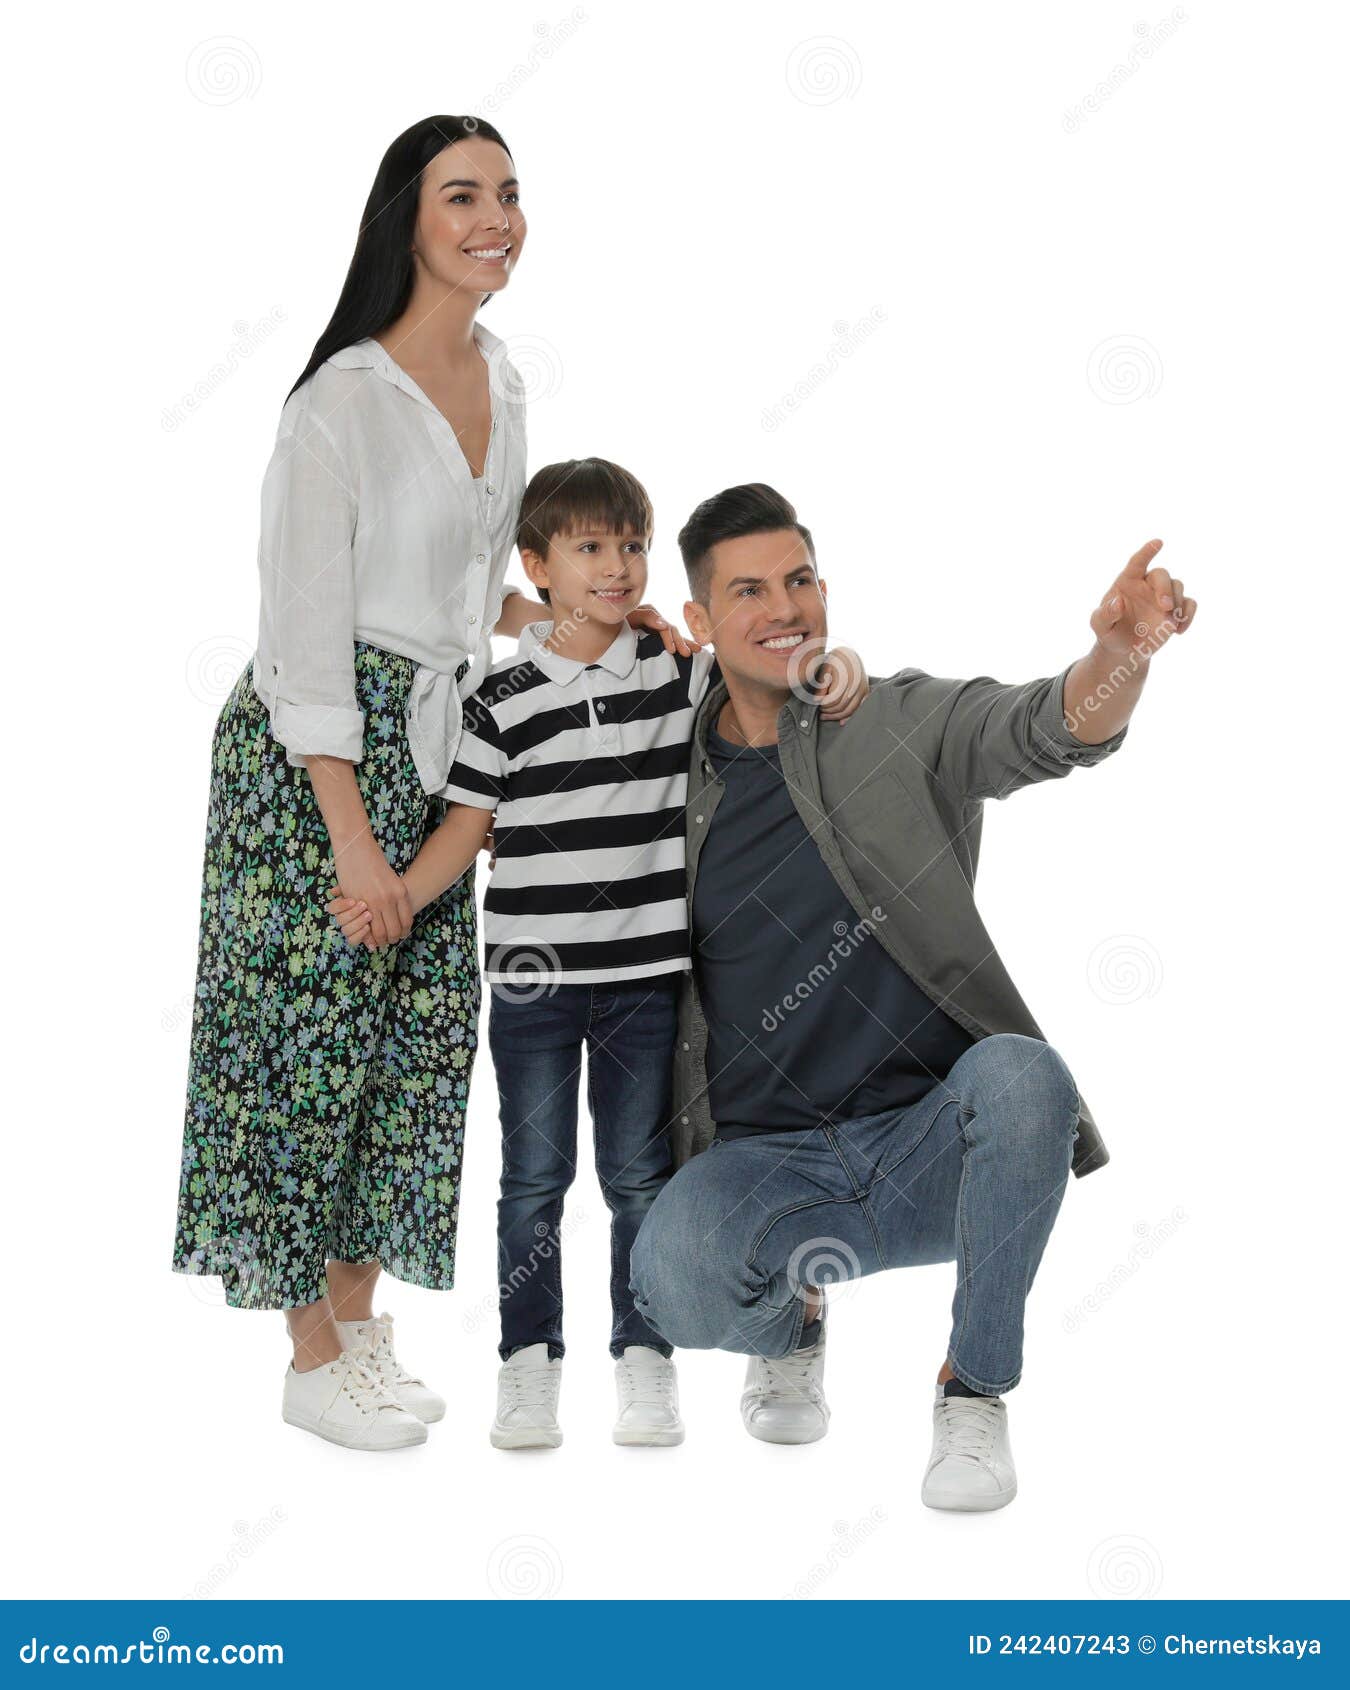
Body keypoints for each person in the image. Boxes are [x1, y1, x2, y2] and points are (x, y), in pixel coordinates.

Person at [171, 117, 691, 1453]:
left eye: (510, 194)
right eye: (463, 195)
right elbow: (304, 630)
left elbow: (467, 587)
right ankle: (304, 1353)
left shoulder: (503, 378)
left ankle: (354, 1326)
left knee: (410, 1052)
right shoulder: (337, 401)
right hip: (312, 764)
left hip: (440, 743)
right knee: (300, 1057)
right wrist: (349, 839)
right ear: (407, 216)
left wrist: (592, 617)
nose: (495, 218)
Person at [630, 483, 1197, 1509]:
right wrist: (588, 624)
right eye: (748, 590)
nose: (784, 607)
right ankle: (792, 1318)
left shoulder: (892, 718)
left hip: (932, 1149)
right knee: (668, 1277)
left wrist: (1123, 653)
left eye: (798, 579)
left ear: (826, 589)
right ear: (702, 622)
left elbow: (1044, 726)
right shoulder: (657, 771)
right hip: (765, 1165)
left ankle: (972, 1394)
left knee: (1026, 1075)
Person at [328, 459, 869, 1449]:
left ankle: (645, 1357)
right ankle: (528, 1367)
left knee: (638, 1177)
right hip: (535, 987)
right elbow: (465, 826)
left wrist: (837, 671)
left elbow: (765, 678)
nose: (617, 567)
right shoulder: (501, 698)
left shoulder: (673, 671)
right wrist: (398, 893)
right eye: (589, 548)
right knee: (534, 1177)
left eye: (630, 546)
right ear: (536, 565)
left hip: (645, 983)